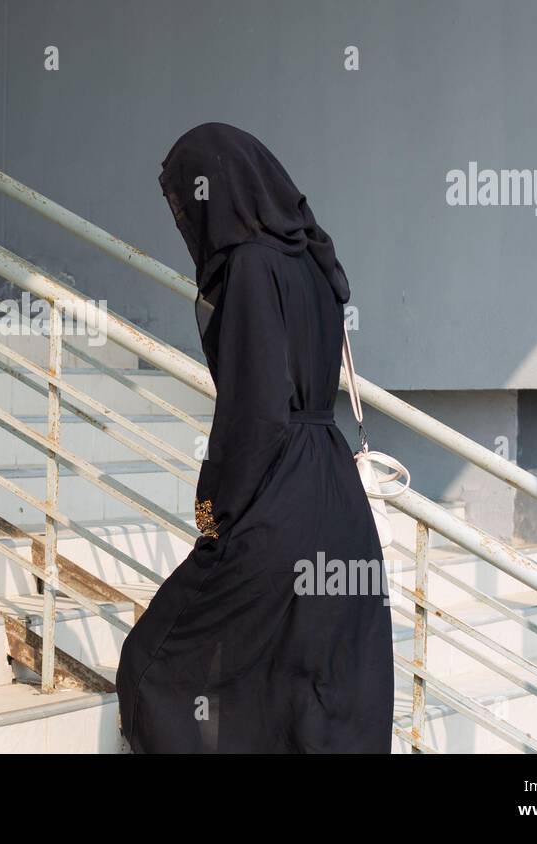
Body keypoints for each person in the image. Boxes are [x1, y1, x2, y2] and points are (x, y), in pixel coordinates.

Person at [115, 122, 394, 753]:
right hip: (336, 499)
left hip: (278, 495)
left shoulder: (247, 268)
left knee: (153, 659)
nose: (189, 218)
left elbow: (257, 412)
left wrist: (217, 509)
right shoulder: (316, 264)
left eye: (189, 201)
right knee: (303, 691)